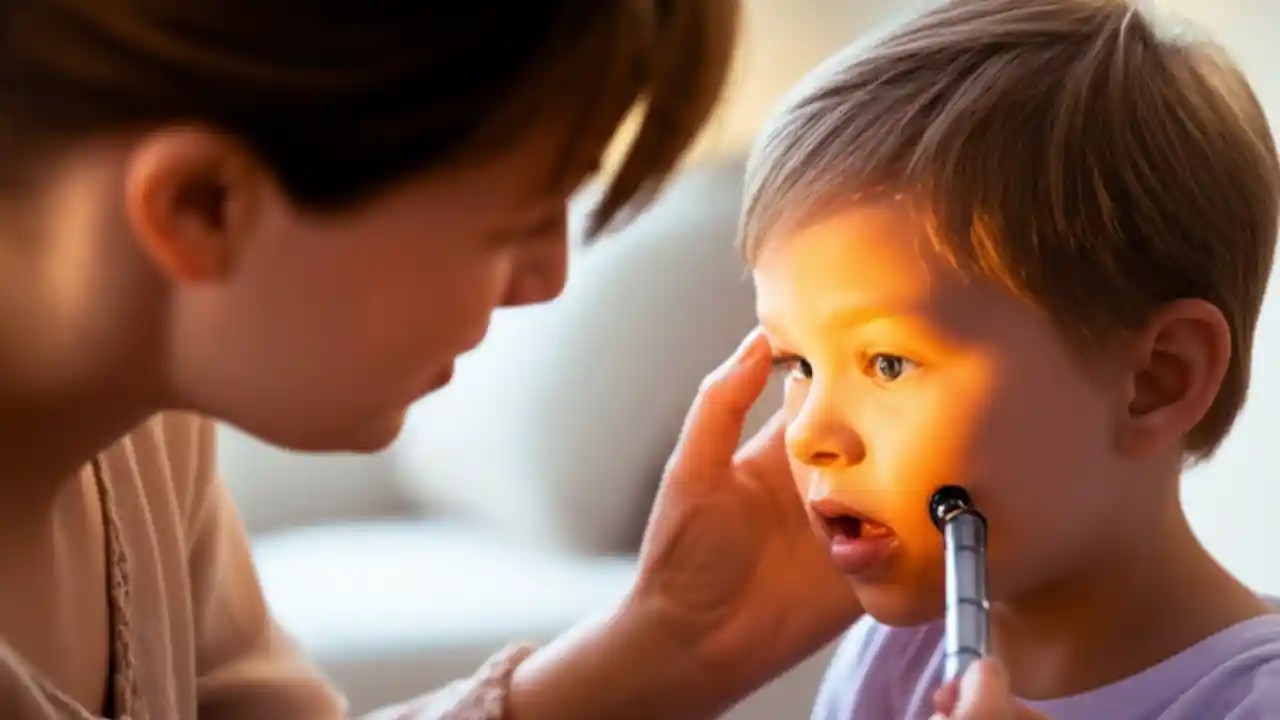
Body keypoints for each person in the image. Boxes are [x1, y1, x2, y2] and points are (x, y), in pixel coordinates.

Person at [0, 2, 863, 719]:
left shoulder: (143, 432)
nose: (544, 282)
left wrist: (678, 638)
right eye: (517, 223)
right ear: (203, 205)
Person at [739, 0, 1280, 718]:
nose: (808, 436)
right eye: (797, 364)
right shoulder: (896, 657)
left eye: (888, 364)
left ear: (1157, 379)